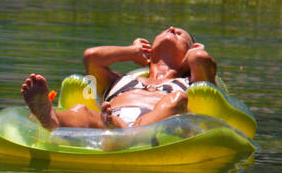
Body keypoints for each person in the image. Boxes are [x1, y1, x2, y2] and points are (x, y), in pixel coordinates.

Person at [20, 26, 216, 130]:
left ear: (192, 50)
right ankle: (49, 117)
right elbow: (91, 57)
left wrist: (194, 53)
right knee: (82, 111)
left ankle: (123, 132)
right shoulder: (120, 82)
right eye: (166, 30)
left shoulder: (190, 83)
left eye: (180, 35)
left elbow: (201, 60)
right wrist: (132, 52)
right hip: (112, 117)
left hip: (158, 124)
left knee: (176, 100)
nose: (172, 28)